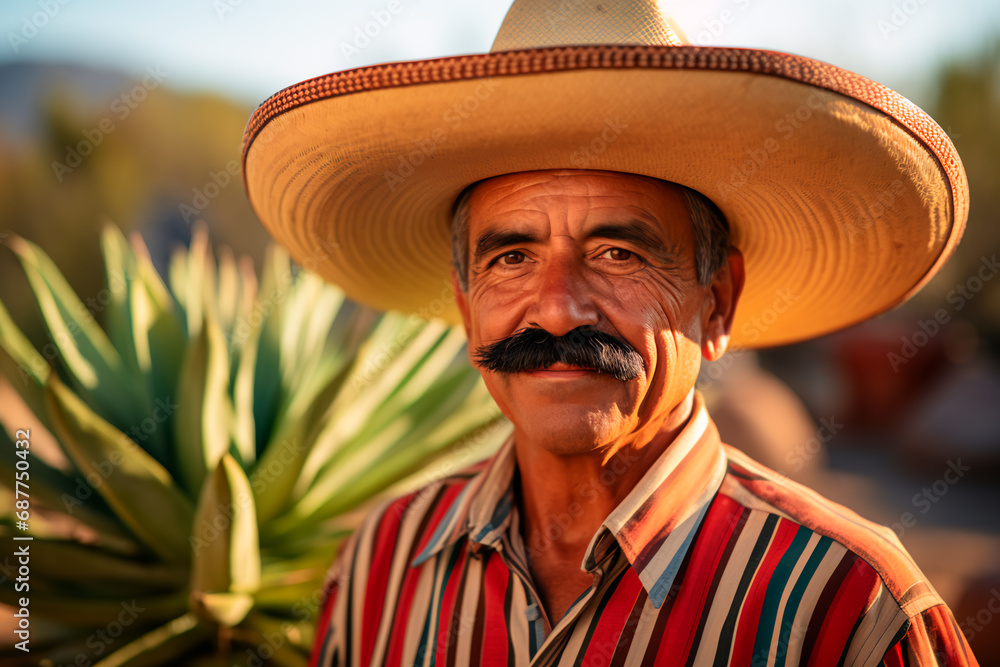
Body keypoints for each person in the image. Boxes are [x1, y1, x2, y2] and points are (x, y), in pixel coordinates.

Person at [240, 1, 976, 664]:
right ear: (466, 309)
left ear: (717, 303)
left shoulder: (851, 612)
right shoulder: (380, 568)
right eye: (512, 257)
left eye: (618, 253)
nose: (557, 310)